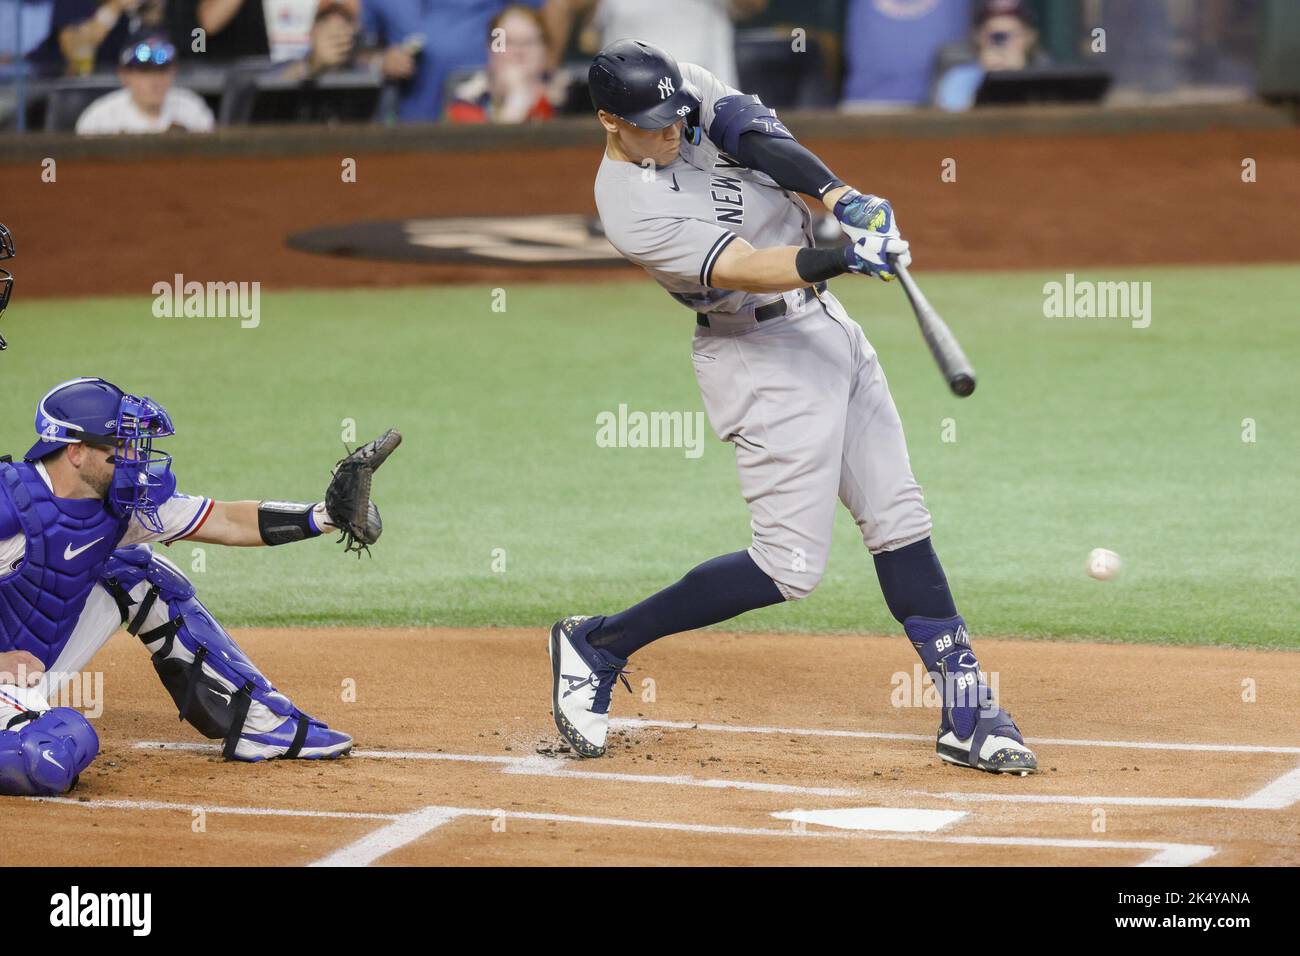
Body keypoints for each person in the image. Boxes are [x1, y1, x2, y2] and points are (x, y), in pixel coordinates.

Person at [548, 39, 1037, 777]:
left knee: (899, 518)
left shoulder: (683, 96)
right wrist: (844, 255)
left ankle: (967, 709)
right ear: (609, 121)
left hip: (825, 328)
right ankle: (601, 643)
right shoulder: (629, 208)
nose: (673, 131)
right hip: (756, 355)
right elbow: (743, 264)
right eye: (653, 124)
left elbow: (753, 134)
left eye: (677, 116)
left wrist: (840, 197)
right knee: (787, 568)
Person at [0, 376, 400, 797]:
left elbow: (224, 520)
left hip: (27, 672)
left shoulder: (118, 507)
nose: (137, 457)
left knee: (137, 572)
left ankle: (258, 725)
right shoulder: (11, 509)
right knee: (48, 754)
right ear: (76, 451)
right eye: (122, 445)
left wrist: (321, 517)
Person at [357, 0, 547, 123]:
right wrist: (381, 60)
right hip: (415, 115)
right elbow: (355, 52)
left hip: (482, 101)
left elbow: (536, 21)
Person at [545, 0, 765, 89]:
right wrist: (546, 76)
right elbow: (561, 6)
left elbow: (753, 4)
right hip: (631, 101)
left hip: (706, 98)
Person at [76, 33, 215, 134]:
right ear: (124, 75)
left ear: (173, 72)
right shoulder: (100, 118)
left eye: (162, 71)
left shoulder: (192, 109)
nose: (155, 81)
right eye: (145, 72)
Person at [446, 4, 555, 124]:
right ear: (490, 49)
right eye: (507, 42)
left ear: (546, 49)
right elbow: (493, 142)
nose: (518, 51)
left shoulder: (567, 96)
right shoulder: (469, 98)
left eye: (529, 42)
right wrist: (517, 98)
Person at [933, 0, 1050, 111]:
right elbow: (952, 123)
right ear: (978, 37)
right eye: (995, 37)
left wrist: (1015, 77)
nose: (1003, 45)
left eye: (1012, 36)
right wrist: (988, 79)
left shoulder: (1043, 77)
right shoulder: (959, 78)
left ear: (1029, 38)